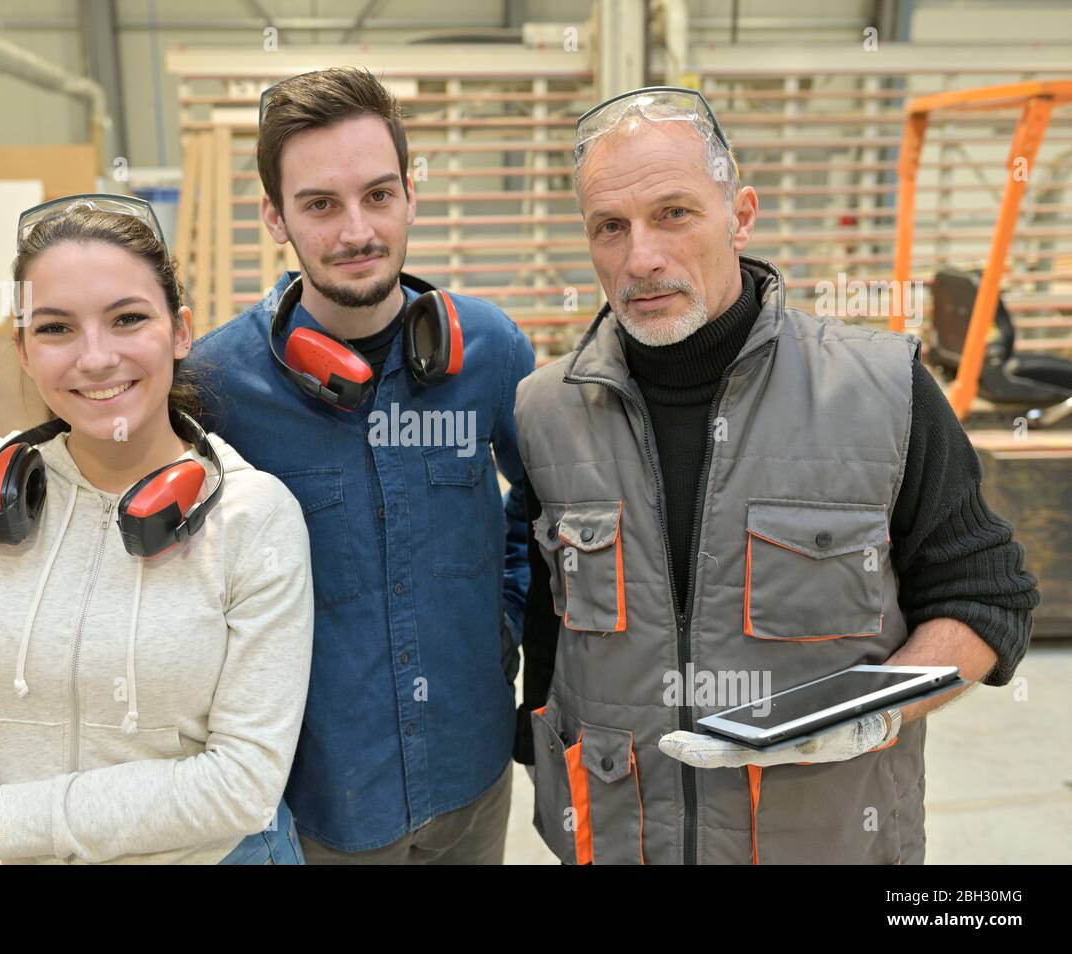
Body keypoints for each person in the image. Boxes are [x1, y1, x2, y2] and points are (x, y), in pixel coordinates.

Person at [513, 87, 1040, 865]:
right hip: (618, 840)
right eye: (610, 228)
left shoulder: (880, 391)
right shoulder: (543, 412)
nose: (641, 258)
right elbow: (544, 629)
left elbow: (987, 595)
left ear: (742, 214)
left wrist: (882, 710)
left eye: (674, 214)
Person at [0, 195, 314, 864]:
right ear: (23, 350)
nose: (95, 358)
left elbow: (241, 786)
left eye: (127, 319)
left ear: (179, 332)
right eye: (56, 329)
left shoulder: (253, 518)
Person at [185, 68, 537, 863]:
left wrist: (504, 618)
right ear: (274, 215)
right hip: (323, 801)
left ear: (411, 194)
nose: (356, 231)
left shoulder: (492, 352)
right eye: (320, 204)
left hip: (472, 778)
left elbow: (547, 510)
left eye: (378, 195)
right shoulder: (217, 387)